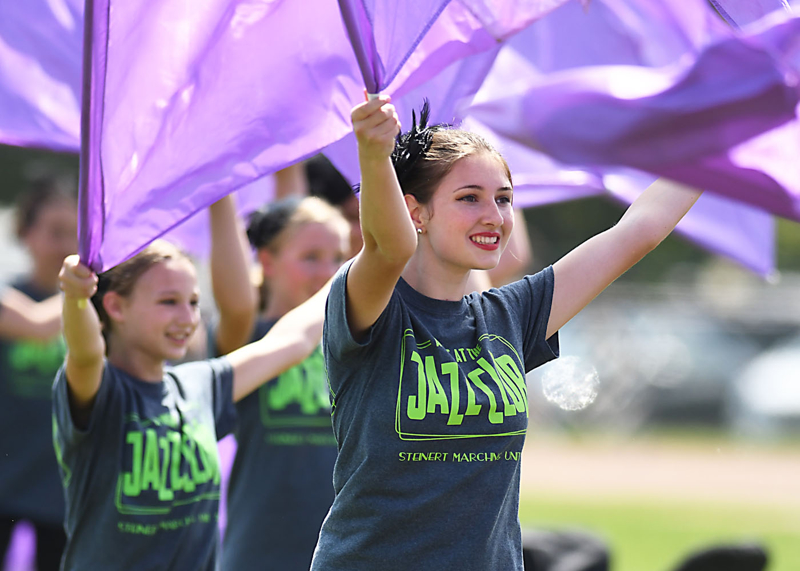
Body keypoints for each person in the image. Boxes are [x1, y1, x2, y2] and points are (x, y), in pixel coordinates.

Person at [310, 97, 702, 571]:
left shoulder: (512, 314)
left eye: (504, 198)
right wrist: (373, 155)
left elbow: (641, 229)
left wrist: (724, 128)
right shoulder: (373, 306)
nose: (494, 216)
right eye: (469, 197)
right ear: (417, 212)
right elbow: (388, 248)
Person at [52, 201, 327, 570]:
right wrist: (76, 297)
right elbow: (85, 352)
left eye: (194, 303)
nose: (188, 319)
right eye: (169, 302)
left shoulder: (201, 385)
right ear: (116, 307)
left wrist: (362, 265)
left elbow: (292, 341)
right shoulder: (103, 390)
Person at [220, 195, 350, 571]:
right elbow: (234, 301)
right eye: (310, 257)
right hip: (260, 553)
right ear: (266, 261)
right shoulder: (249, 336)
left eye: (338, 258)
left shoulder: (355, 340)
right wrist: (221, 193)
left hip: (345, 552)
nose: (326, 271)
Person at [0, 178, 78, 570]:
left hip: (60, 489)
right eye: (56, 232)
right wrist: (86, 290)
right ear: (26, 234)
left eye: (75, 235)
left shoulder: (97, 307)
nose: (67, 246)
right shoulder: (8, 299)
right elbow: (37, 325)